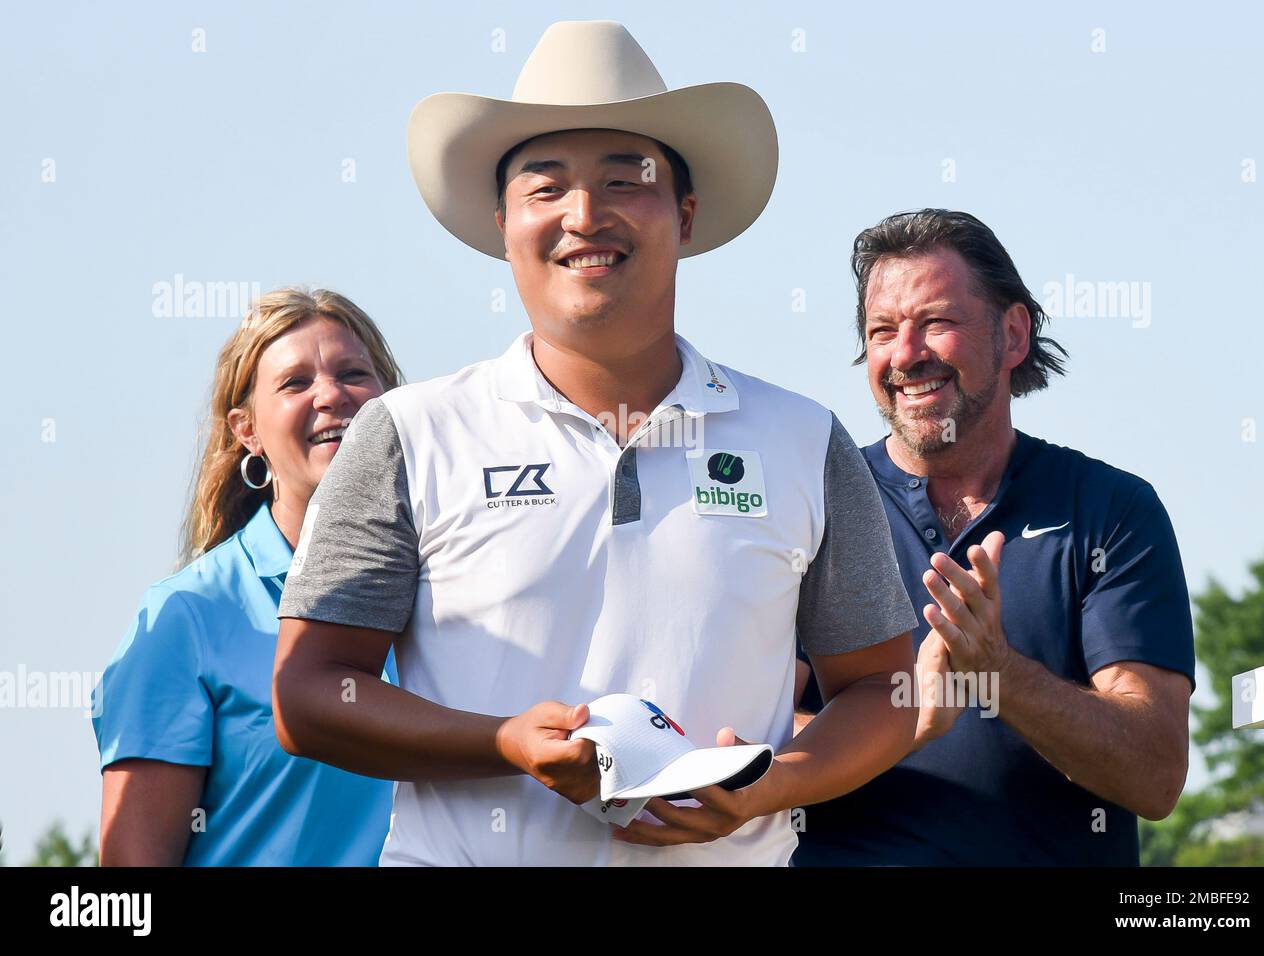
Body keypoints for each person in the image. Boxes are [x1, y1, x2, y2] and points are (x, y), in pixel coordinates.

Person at [272, 20, 919, 866]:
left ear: (684, 215)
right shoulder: (407, 433)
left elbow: (886, 691)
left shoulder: (802, 439)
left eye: (627, 179)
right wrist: (502, 742)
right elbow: (310, 694)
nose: (586, 214)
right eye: (546, 188)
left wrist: (776, 783)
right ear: (502, 221)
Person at [793, 209, 1195, 865]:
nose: (904, 354)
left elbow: (1154, 774)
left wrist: (1000, 675)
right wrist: (901, 723)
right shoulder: (812, 504)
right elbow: (745, 744)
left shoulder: (1111, 511)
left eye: (936, 323)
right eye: (882, 331)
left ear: (1012, 335)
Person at [93, 288, 405, 866]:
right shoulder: (184, 619)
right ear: (247, 431)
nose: (331, 395)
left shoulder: (458, 591)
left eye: (353, 373)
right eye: (295, 383)